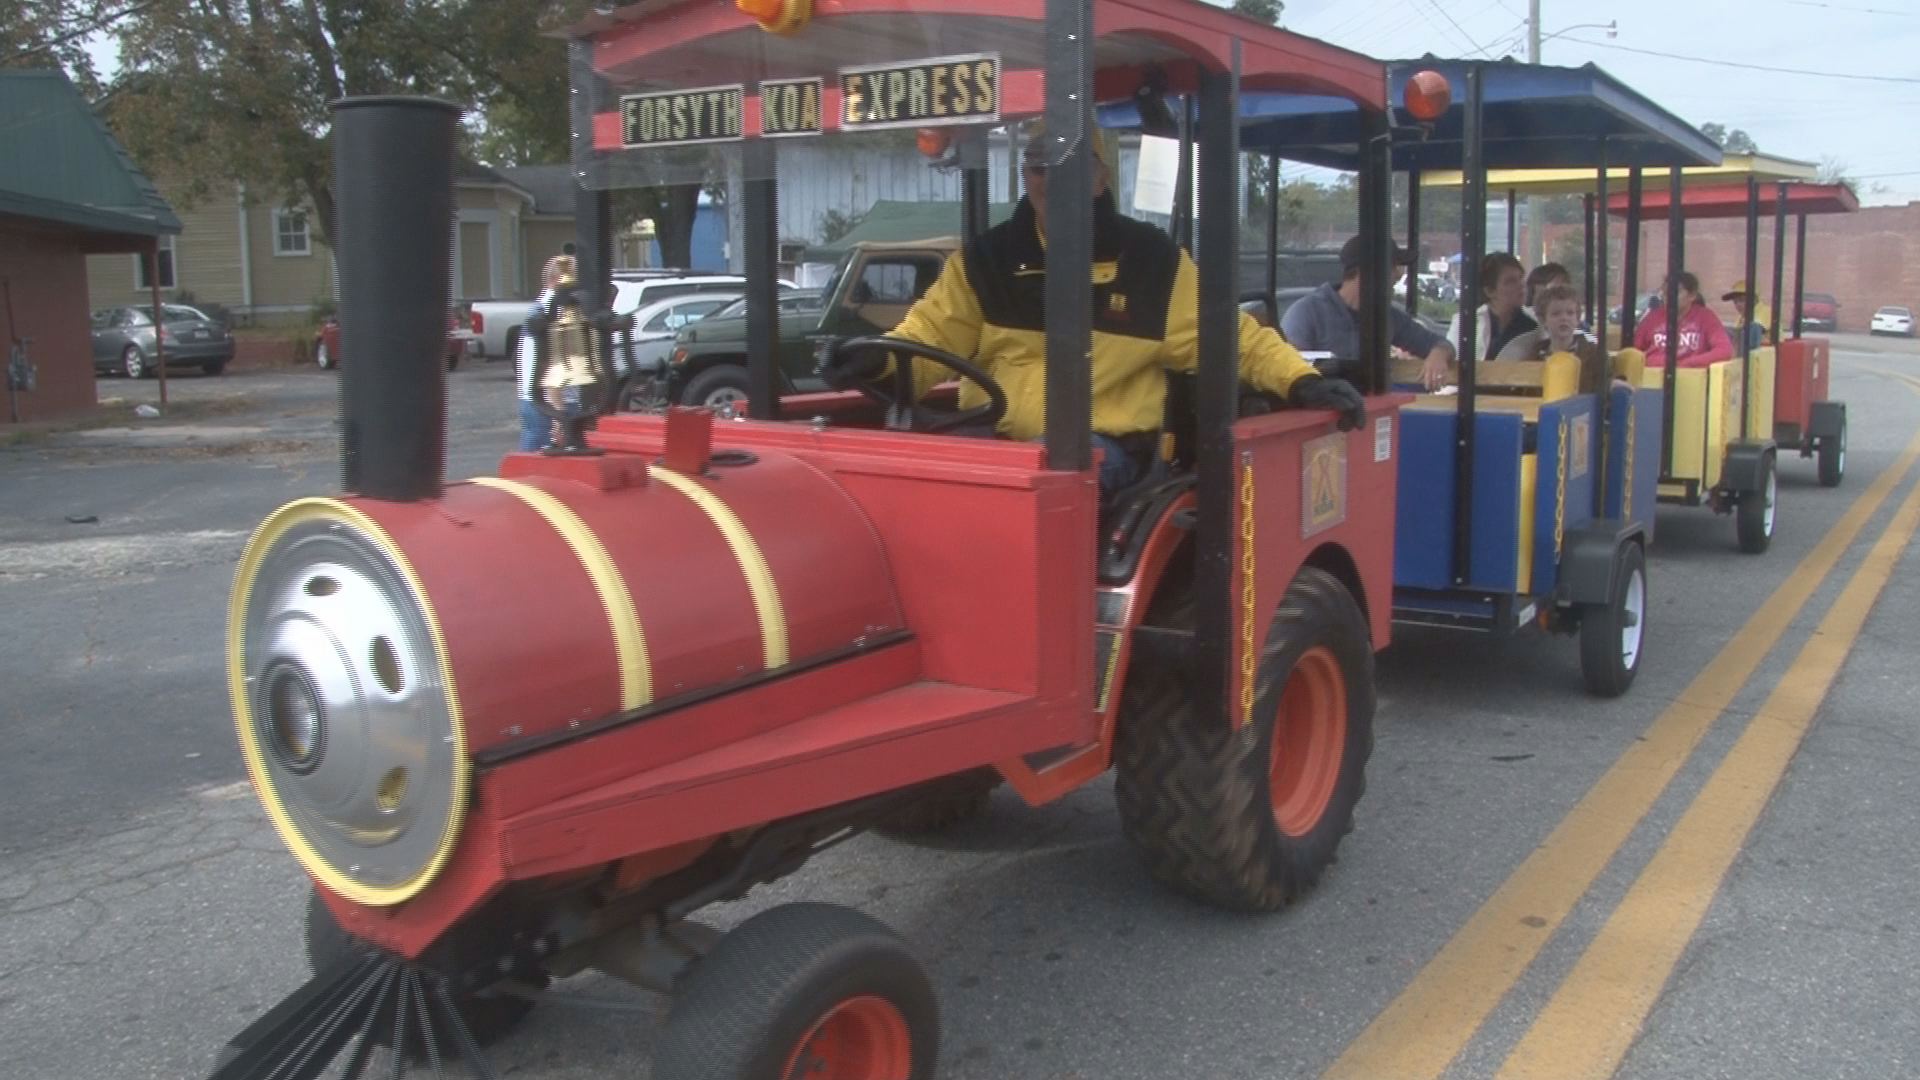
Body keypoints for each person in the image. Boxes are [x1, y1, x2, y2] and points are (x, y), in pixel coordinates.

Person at [829, 126, 1365, 499]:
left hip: (1111, 449)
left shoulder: (1152, 262)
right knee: (927, 474)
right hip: (997, 438)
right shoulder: (986, 261)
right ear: (1026, 175)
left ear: (1100, 177)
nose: (1052, 177)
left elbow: (1231, 338)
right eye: (1040, 164)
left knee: (1045, 473)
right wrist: (875, 364)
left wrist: (1300, 380)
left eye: (1069, 164)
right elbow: (928, 338)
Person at [1281, 234, 1456, 390]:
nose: (1398, 274)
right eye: (1393, 266)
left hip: (1374, 415)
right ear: (1366, 272)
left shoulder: (1388, 316)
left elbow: (1440, 343)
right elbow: (1291, 375)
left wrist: (1439, 354)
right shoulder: (1305, 314)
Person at [516, 254, 574, 451]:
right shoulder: (553, 314)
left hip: (535, 400)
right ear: (558, 281)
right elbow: (549, 365)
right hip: (549, 404)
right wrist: (559, 412)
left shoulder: (538, 310)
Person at [1447, 251, 1539, 363]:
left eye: (1521, 278)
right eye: (1510, 281)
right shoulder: (1465, 323)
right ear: (1489, 291)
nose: (1521, 285)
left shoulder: (1535, 323)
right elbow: (1453, 363)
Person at [1532, 283, 1618, 396]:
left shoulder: (1595, 354)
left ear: (1577, 319)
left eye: (1570, 313)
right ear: (1543, 320)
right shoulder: (1535, 355)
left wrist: (1612, 384)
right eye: (1556, 314)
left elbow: (1604, 384)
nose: (1564, 318)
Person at [1634, 271, 1734, 368]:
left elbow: (1724, 351)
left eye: (1676, 292)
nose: (1669, 296)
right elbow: (1634, 351)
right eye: (1665, 293)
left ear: (1692, 295)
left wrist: (1685, 364)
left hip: (1692, 378)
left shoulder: (1706, 317)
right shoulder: (1652, 318)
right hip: (1652, 377)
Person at [1721, 279, 1772, 352]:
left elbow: (1754, 332)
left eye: (1741, 300)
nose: (1738, 305)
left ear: (1754, 299)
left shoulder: (1765, 311)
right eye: (1735, 302)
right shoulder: (1741, 317)